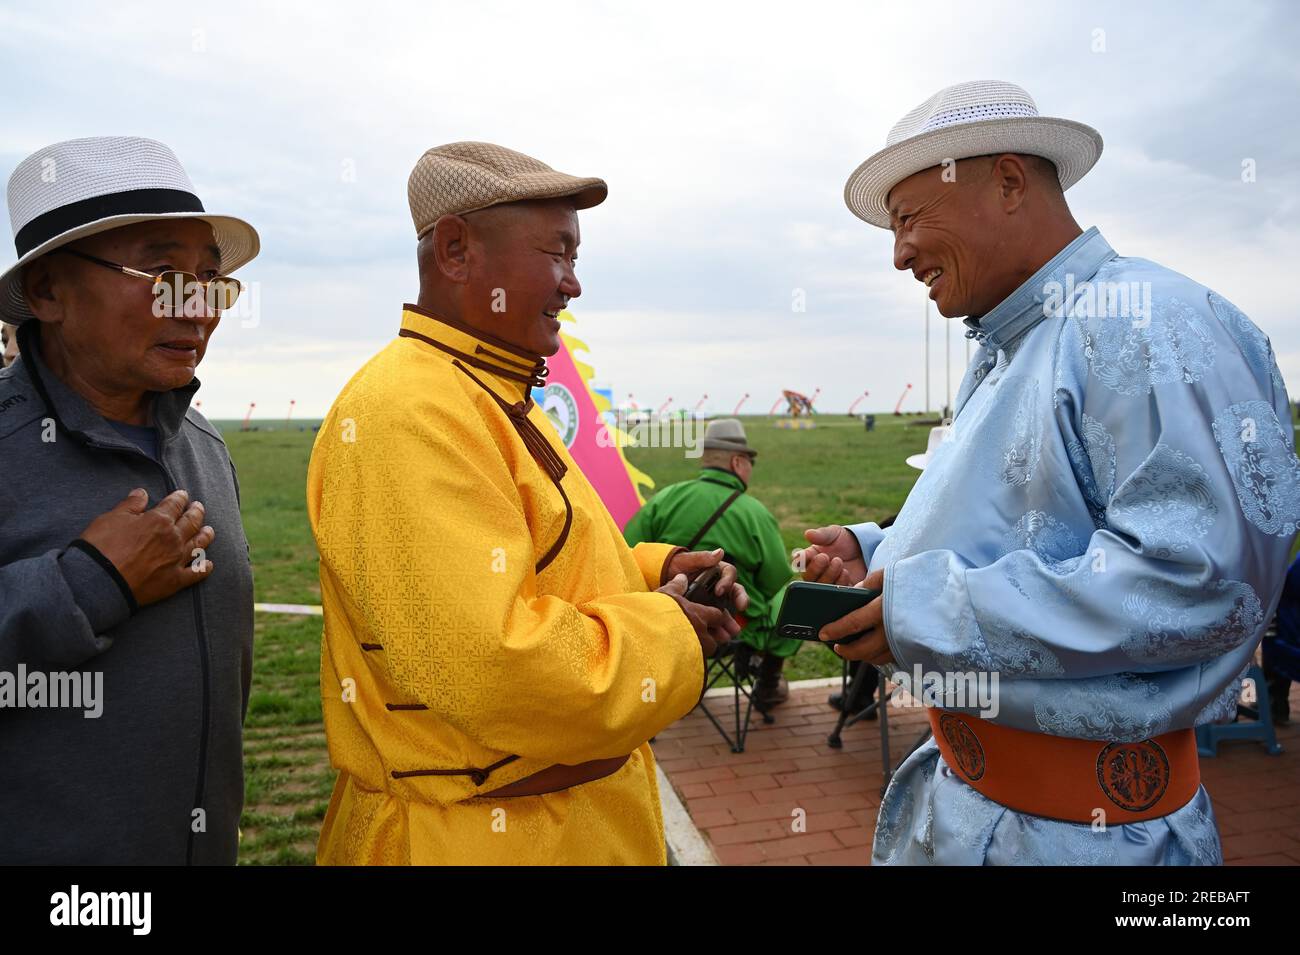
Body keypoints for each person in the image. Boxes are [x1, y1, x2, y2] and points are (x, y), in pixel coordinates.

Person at [799, 81, 1296, 865]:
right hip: (972, 811)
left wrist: (927, 606)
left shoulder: (1143, 321)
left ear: (1005, 182)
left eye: (906, 219)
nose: (897, 254)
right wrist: (881, 554)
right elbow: (1027, 520)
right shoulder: (1012, 345)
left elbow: (1197, 582)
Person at [308, 141, 747, 865]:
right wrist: (672, 627)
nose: (573, 285)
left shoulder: (492, 389)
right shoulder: (408, 411)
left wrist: (657, 570)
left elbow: (545, 563)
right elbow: (496, 662)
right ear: (455, 250)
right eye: (560, 253)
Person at [0, 136, 260, 863]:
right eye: (164, 272)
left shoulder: (204, 447)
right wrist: (87, 583)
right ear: (48, 291)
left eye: (210, 279)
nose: (198, 308)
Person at [624, 418, 796, 707]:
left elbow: (628, 552)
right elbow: (775, 577)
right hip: (734, 628)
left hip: (668, 621)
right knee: (788, 594)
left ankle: (683, 685)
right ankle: (766, 683)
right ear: (738, 462)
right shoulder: (755, 513)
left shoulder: (665, 499)